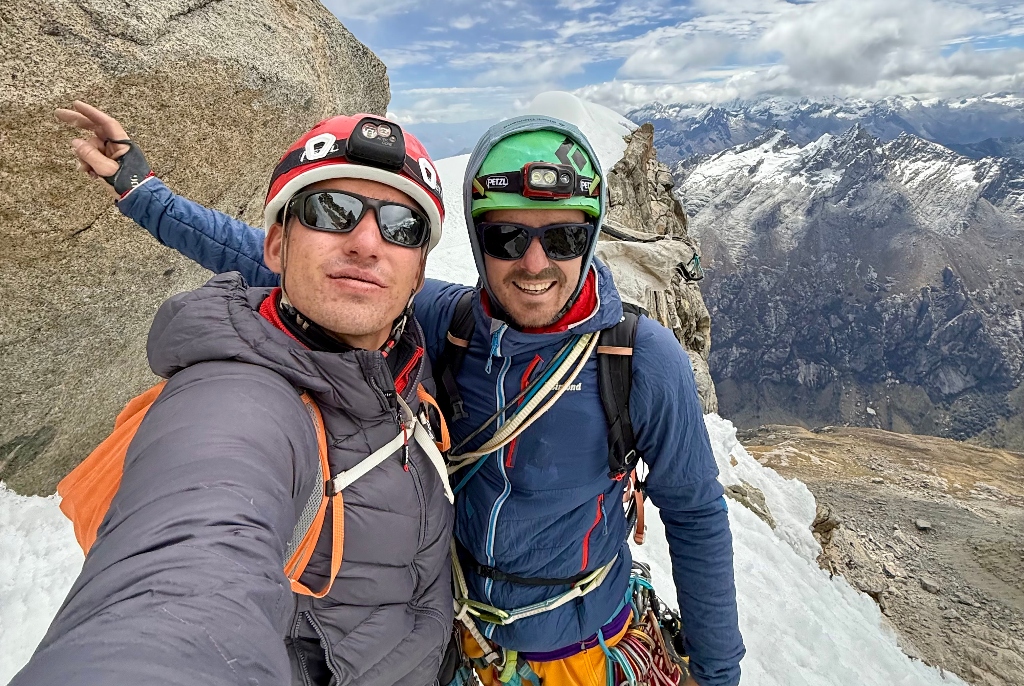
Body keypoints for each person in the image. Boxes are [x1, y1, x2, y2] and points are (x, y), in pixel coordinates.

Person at [59, 104, 745, 686]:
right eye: (507, 236)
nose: (535, 263)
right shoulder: (448, 321)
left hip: (578, 648)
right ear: (479, 241)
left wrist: (718, 673)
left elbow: (695, 514)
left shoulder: (636, 360)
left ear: (589, 238)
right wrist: (142, 191)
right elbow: (285, 261)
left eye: (563, 236)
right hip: (455, 641)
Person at [15, 105, 455, 686]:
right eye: (332, 211)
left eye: (402, 226)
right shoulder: (236, 400)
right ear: (277, 248)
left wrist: (141, 190)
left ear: (418, 273)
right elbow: (182, 585)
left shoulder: (406, 352)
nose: (367, 243)